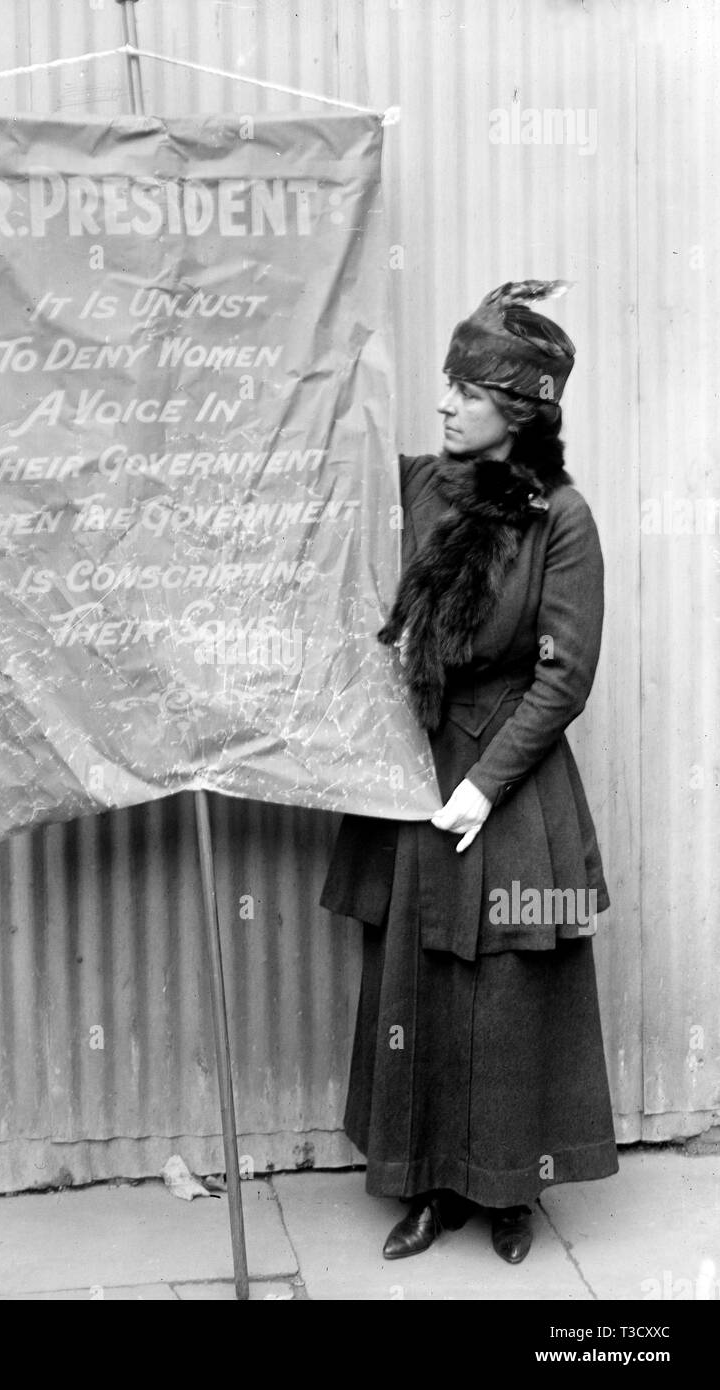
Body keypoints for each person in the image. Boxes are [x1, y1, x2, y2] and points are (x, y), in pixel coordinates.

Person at [319, 281, 618, 1264]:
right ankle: (429, 1187)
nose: (443, 404)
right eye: (445, 385)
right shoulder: (416, 482)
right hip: (418, 764)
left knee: (504, 994)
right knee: (420, 989)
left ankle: (509, 1186)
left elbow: (563, 675)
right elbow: (314, 463)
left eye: (467, 391)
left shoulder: (560, 520)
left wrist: (484, 786)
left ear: (518, 411)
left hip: (507, 778)